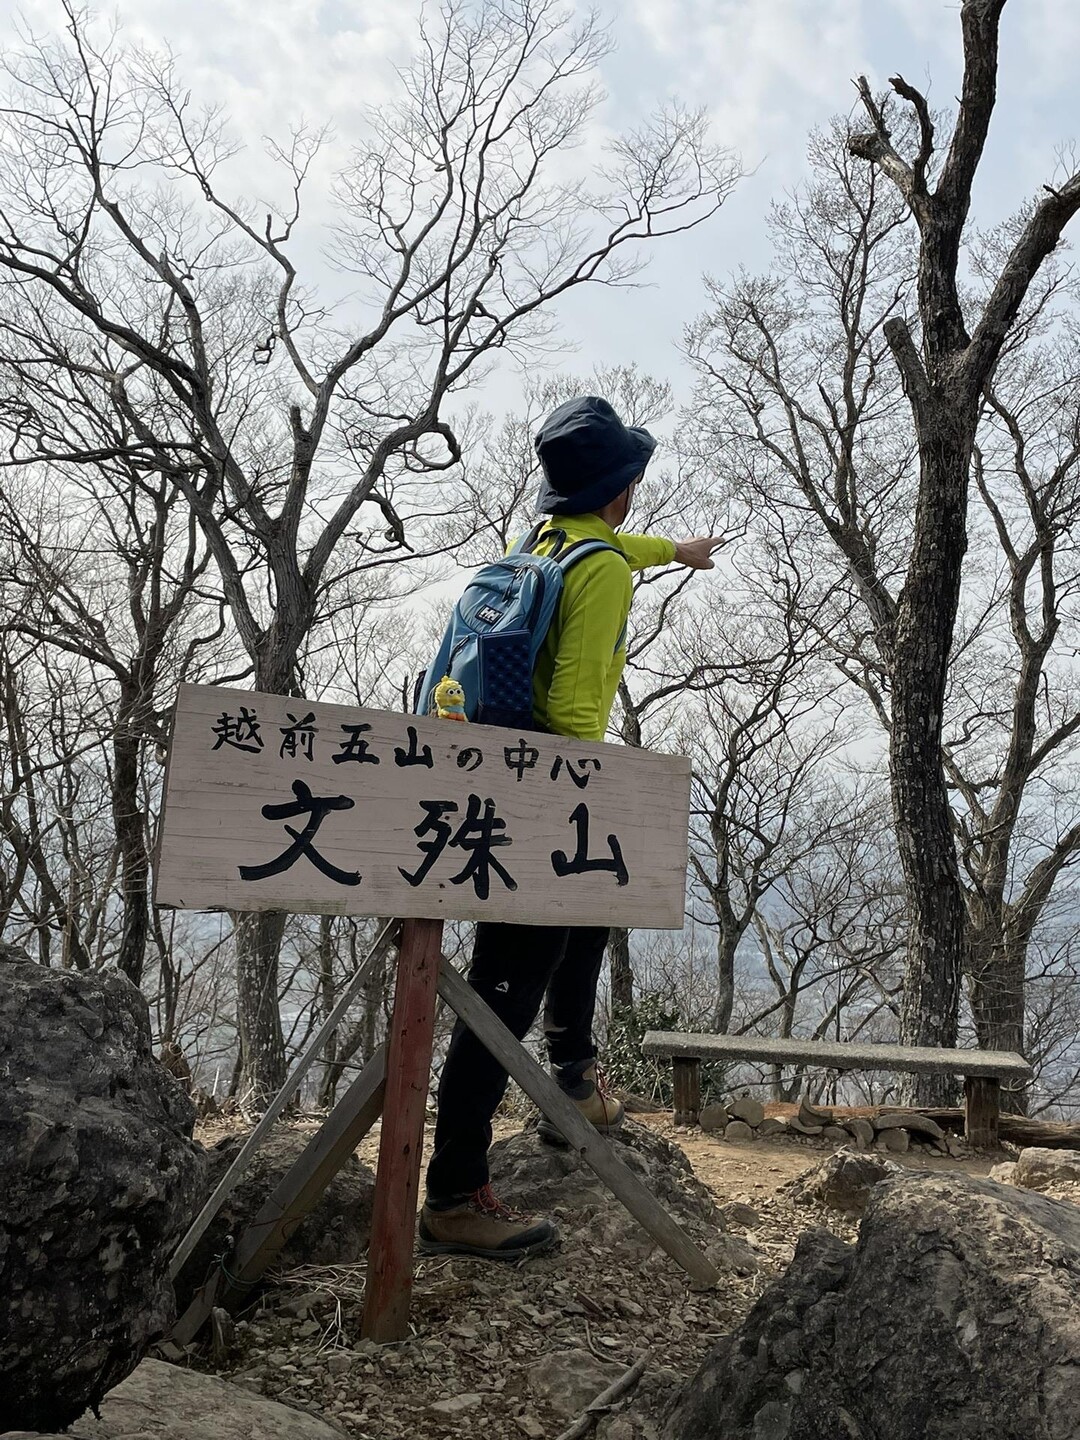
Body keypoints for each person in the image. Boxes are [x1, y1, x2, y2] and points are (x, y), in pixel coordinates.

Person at [418, 395, 723, 1261]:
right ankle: (453, 1193)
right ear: (621, 490)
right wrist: (597, 795)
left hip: (489, 789)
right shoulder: (600, 570)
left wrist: (680, 554)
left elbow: (616, 546)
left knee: (586, 916)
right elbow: (575, 709)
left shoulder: (543, 546)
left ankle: (575, 1079)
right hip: (543, 802)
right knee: (502, 996)